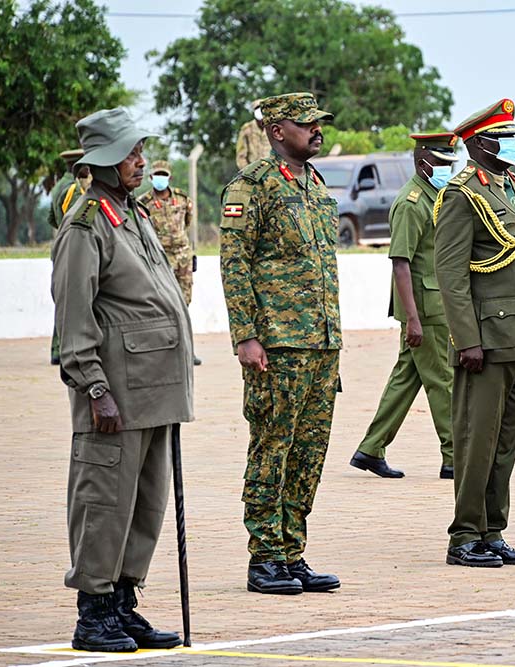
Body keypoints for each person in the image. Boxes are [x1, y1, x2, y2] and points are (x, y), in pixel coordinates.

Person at [52, 108, 193, 652]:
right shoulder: (85, 224)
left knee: (145, 504)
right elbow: (73, 319)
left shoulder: (130, 213)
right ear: (107, 161)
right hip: (114, 392)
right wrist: (94, 388)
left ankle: (123, 601)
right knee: (104, 502)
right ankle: (94, 612)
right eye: (131, 153)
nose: (141, 161)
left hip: (154, 389)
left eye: (139, 151)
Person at [220, 92, 343, 594]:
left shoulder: (315, 184)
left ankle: (293, 552)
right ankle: (264, 558)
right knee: (273, 448)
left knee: (309, 454)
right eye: (306, 124)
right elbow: (234, 265)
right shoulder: (253, 186)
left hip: (320, 345)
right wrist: (246, 337)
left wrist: (333, 342)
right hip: (277, 347)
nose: (317, 131)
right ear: (276, 131)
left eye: (319, 124)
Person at [434, 99, 515, 567]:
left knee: (505, 441)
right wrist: (468, 339)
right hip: (487, 338)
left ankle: (493, 530)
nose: (513, 146)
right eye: (504, 138)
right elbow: (451, 274)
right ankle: (464, 536)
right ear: (480, 142)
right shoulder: (464, 195)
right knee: (476, 439)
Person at [350, 133, 459, 480]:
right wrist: (412, 317)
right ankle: (454, 455)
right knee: (443, 379)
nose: (447, 170)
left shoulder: (435, 197)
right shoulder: (412, 203)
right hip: (425, 307)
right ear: (423, 162)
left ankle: (370, 449)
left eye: (450, 164)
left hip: (432, 301)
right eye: (441, 164)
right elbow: (400, 262)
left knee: (406, 378)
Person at [137, 161, 202, 366]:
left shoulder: (183, 200)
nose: (160, 179)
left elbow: (188, 222)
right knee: (160, 305)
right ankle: (161, 352)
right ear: (150, 178)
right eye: (156, 175)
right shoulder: (143, 202)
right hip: (158, 259)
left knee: (184, 305)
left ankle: (186, 352)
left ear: (170, 178)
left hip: (182, 258)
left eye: (163, 175)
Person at [48, 148, 91, 365]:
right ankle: (66, 350)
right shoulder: (75, 190)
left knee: (63, 298)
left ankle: (57, 349)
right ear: (80, 167)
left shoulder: (58, 187)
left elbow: (52, 219)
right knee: (74, 300)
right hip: (74, 249)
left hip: (60, 248)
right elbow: (82, 220)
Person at [235, 99, 271, 170]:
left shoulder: (272, 128)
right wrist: (248, 172)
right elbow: (241, 156)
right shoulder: (247, 129)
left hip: (271, 170)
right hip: (253, 172)